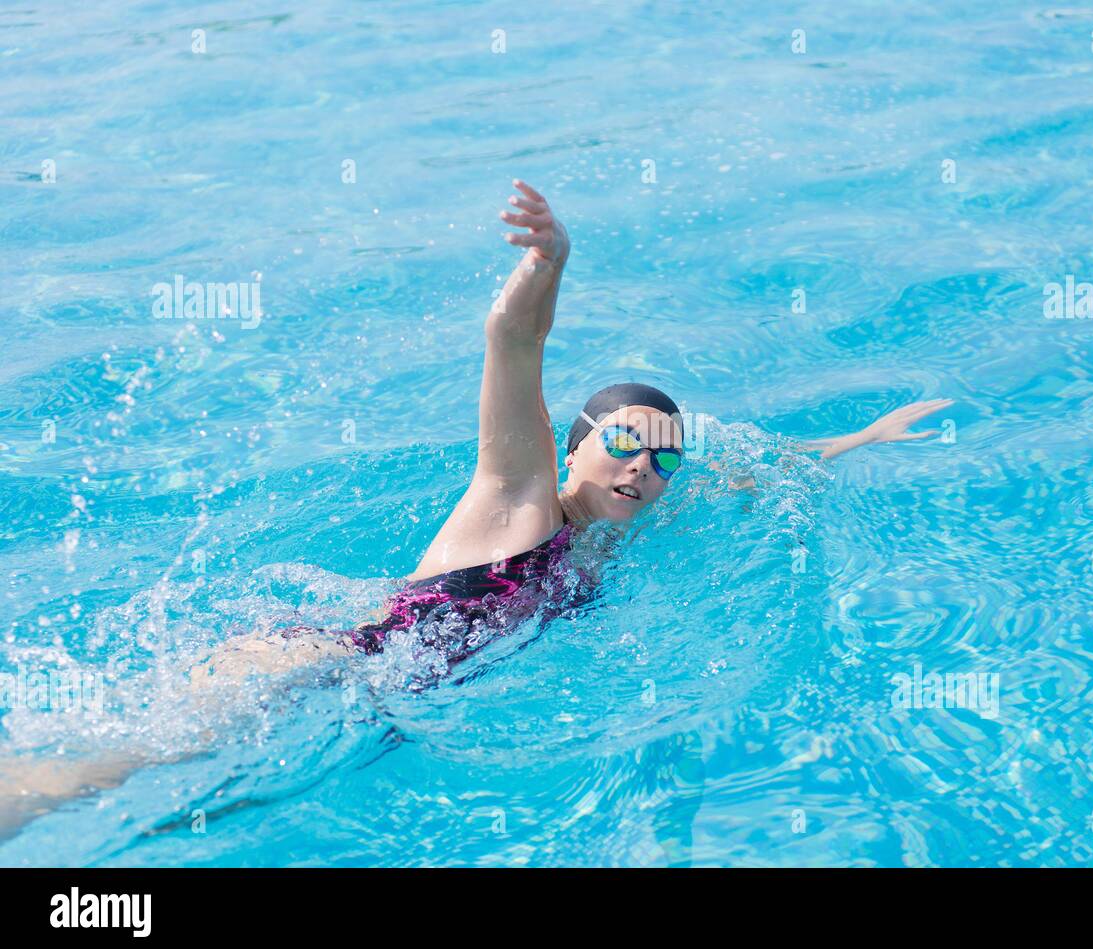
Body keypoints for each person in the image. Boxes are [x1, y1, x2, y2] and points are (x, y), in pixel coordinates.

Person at [0, 179, 952, 835]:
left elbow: (751, 459)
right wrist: (548, 264)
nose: (643, 471)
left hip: (372, 704)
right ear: (575, 443)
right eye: (623, 442)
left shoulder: (615, 529)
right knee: (100, 769)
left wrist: (860, 442)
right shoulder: (521, 494)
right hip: (309, 665)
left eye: (663, 462)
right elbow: (513, 347)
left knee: (170, 811)